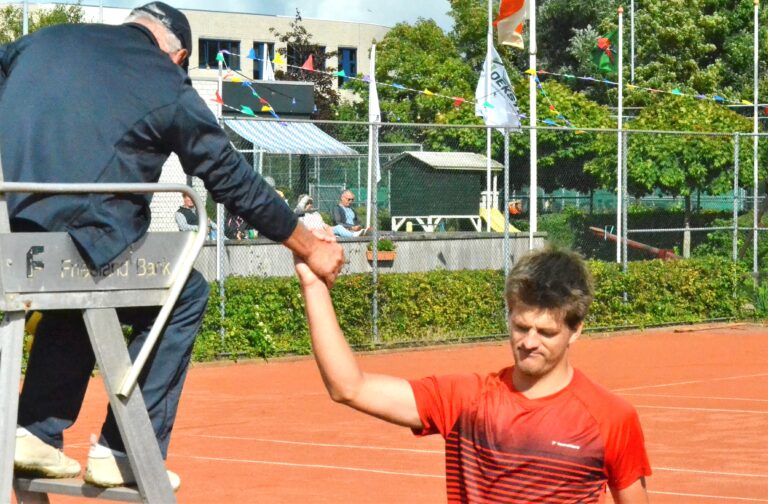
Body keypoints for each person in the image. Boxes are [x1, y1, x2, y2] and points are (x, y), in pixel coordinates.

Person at [0, 1, 343, 490]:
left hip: (13, 236)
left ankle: (34, 431)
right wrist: (309, 246)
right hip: (79, 241)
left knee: (83, 287)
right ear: (178, 55)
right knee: (185, 292)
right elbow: (230, 179)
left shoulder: (46, 40)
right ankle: (122, 450)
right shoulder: (165, 81)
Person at [294, 247, 651, 503]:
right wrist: (313, 285)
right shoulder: (466, 400)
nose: (528, 342)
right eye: (521, 326)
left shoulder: (611, 418)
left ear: (576, 331)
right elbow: (349, 387)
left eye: (545, 333)